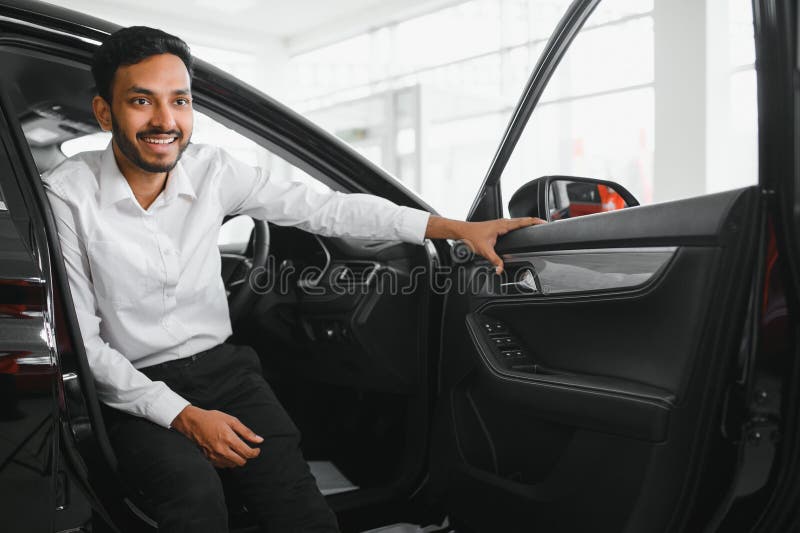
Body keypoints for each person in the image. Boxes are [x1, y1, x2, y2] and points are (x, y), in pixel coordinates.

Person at [43, 26, 543, 533]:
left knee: (296, 507)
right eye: (141, 101)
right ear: (105, 112)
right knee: (192, 496)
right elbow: (85, 347)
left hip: (223, 372)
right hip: (130, 387)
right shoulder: (67, 195)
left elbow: (325, 210)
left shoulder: (213, 172)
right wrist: (184, 416)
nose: (166, 120)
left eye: (180, 101)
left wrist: (449, 228)